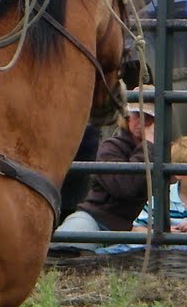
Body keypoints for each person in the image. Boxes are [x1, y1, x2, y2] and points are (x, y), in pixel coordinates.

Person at [54, 90, 155, 238]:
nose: (141, 122)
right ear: (128, 117)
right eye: (136, 115)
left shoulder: (161, 151)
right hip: (96, 218)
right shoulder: (111, 147)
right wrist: (148, 145)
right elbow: (124, 188)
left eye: (148, 117)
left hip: (133, 226)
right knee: (69, 239)